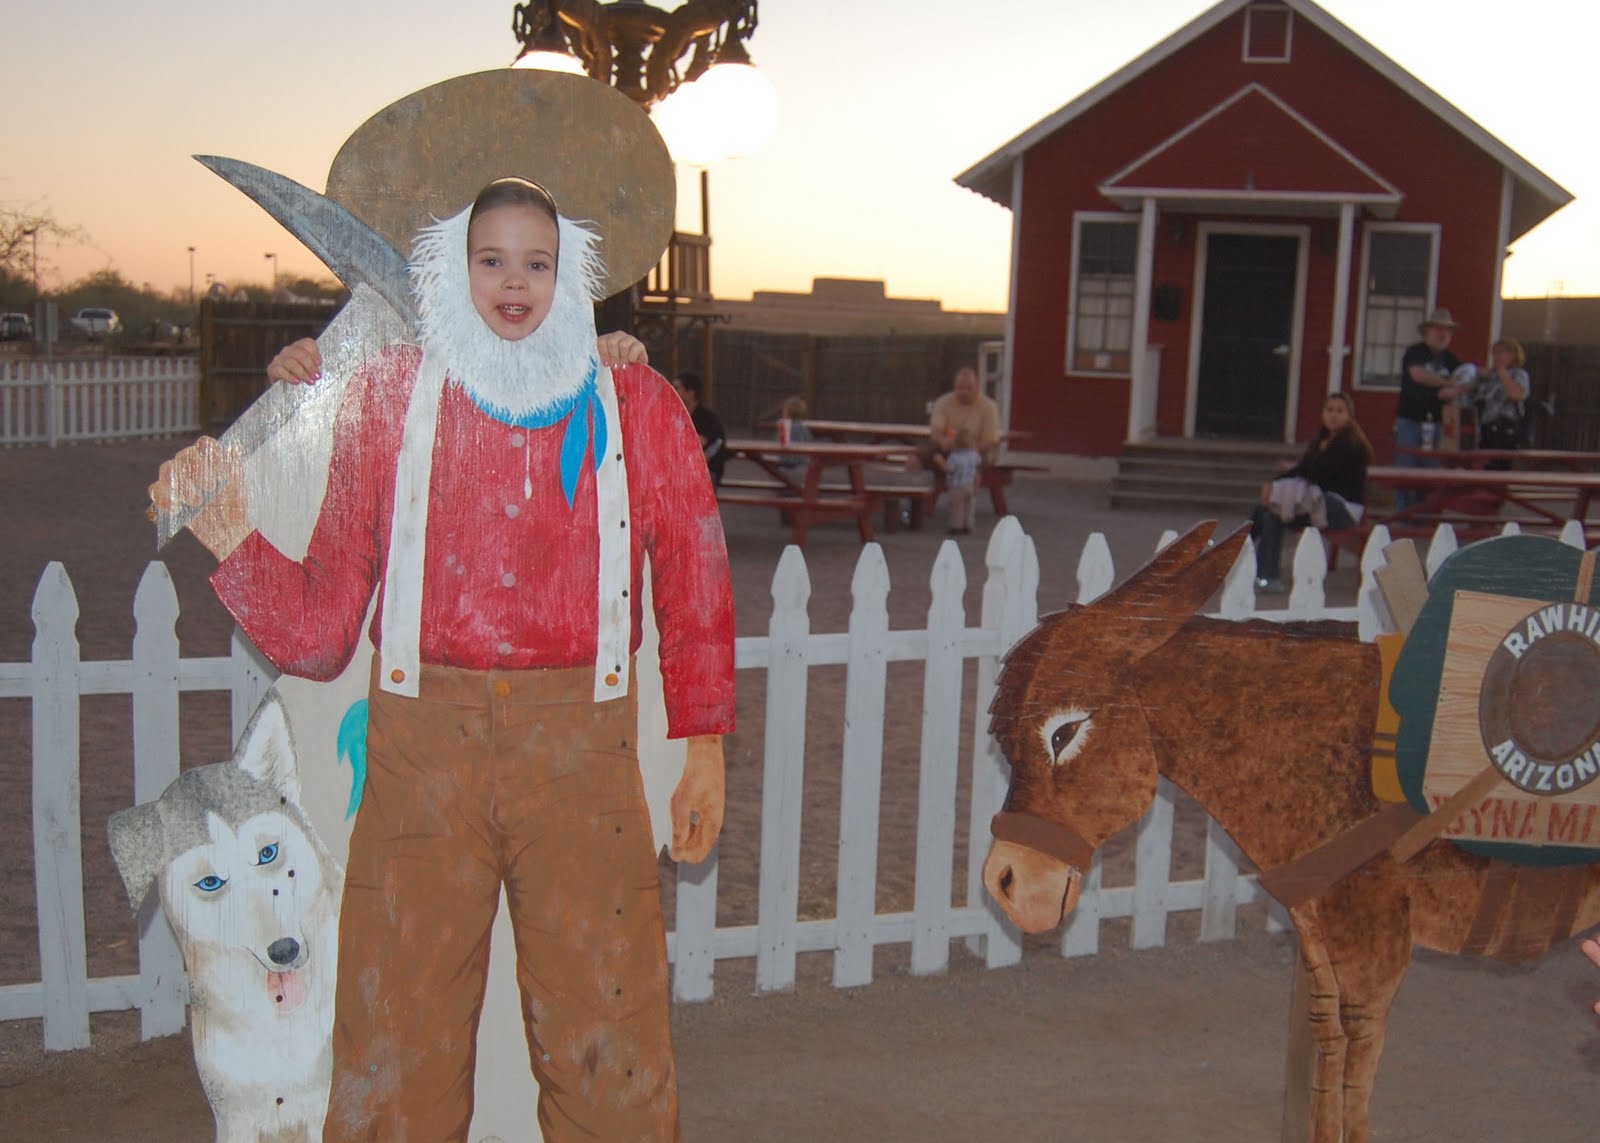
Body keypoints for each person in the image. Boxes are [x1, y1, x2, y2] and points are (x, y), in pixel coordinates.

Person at [150, 177, 735, 1142]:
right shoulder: (384, 397)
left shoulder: (635, 399)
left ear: (569, 273)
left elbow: (696, 584)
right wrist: (235, 538)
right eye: (491, 259)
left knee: (608, 1025)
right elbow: (320, 628)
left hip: (580, 758)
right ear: (452, 272)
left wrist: (703, 744)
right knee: (394, 1034)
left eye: (537, 263)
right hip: (421, 762)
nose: (514, 282)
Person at [1250, 392, 1373, 593]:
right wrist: (1272, 484)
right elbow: (1302, 469)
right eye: (1329, 410)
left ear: (1349, 416)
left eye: (1340, 411)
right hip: (1315, 504)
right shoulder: (1320, 441)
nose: (1333, 415)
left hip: (1341, 509)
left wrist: (1281, 491)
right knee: (1271, 513)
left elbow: (1320, 475)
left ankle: (1245, 555)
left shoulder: (1352, 446)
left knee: (1278, 506)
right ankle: (1264, 574)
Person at [1394, 308, 1463, 508]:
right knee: (1406, 466)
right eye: (1438, 329)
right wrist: (1447, 384)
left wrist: (1454, 390)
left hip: (1438, 422)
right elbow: (1418, 375)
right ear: (1427, 331)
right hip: (1411, 418)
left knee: (1431, 469)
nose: (1442, 334)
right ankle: (1404, 513)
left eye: (1447, 331)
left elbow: (1464, 381)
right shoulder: (1415, 352)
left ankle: (1425, 512)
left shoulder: (1452, 360)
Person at [1459, 337, 1530, 461]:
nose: (1497, 357)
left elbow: (1517, 394)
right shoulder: (1488, 376)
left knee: (1500, 466)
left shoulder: (1518, 374)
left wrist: (1503, 374)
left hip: (1505, 429)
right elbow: (1470, 396)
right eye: (1494, 353)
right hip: (1483, 428)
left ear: (1513, 355)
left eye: (1501, 353)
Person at [920, 365, 999, 473]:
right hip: (947, 449)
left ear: (977, 387)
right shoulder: (943, 402)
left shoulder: (989, 407)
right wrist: (943, 441)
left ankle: (961, 485)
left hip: (975, 452)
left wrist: (965, 448)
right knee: (915, 458)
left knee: (965, 462)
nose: (964, 392)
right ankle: (910, 487)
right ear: (955, 386)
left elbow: (990, 441)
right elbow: (936, 431)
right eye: (960, 388)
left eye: (969, 388)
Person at [672, 370, 729, 487]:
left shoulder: (708, 419)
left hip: (705, 473)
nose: (672, 392)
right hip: (678, 472)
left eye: (677, 388)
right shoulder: (673, 415)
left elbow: (699, 446)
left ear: (690, 392)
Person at [944, 427, 981, 534]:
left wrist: (940, 461)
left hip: (957, 485)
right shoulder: (974, 456)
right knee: (969, 506)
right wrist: (977, 486)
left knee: (956, 507)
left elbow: (949, 469)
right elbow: (977, 470)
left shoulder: (954, 457)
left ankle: (956, 526)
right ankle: (968, 525)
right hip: (970, 484)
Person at [776, 393, 813, 469]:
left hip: (786, 461)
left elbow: (779, 443)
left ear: (787, 411)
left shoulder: (784, 426)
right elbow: (809, 441)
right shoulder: (804, 427)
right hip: (803, 461)